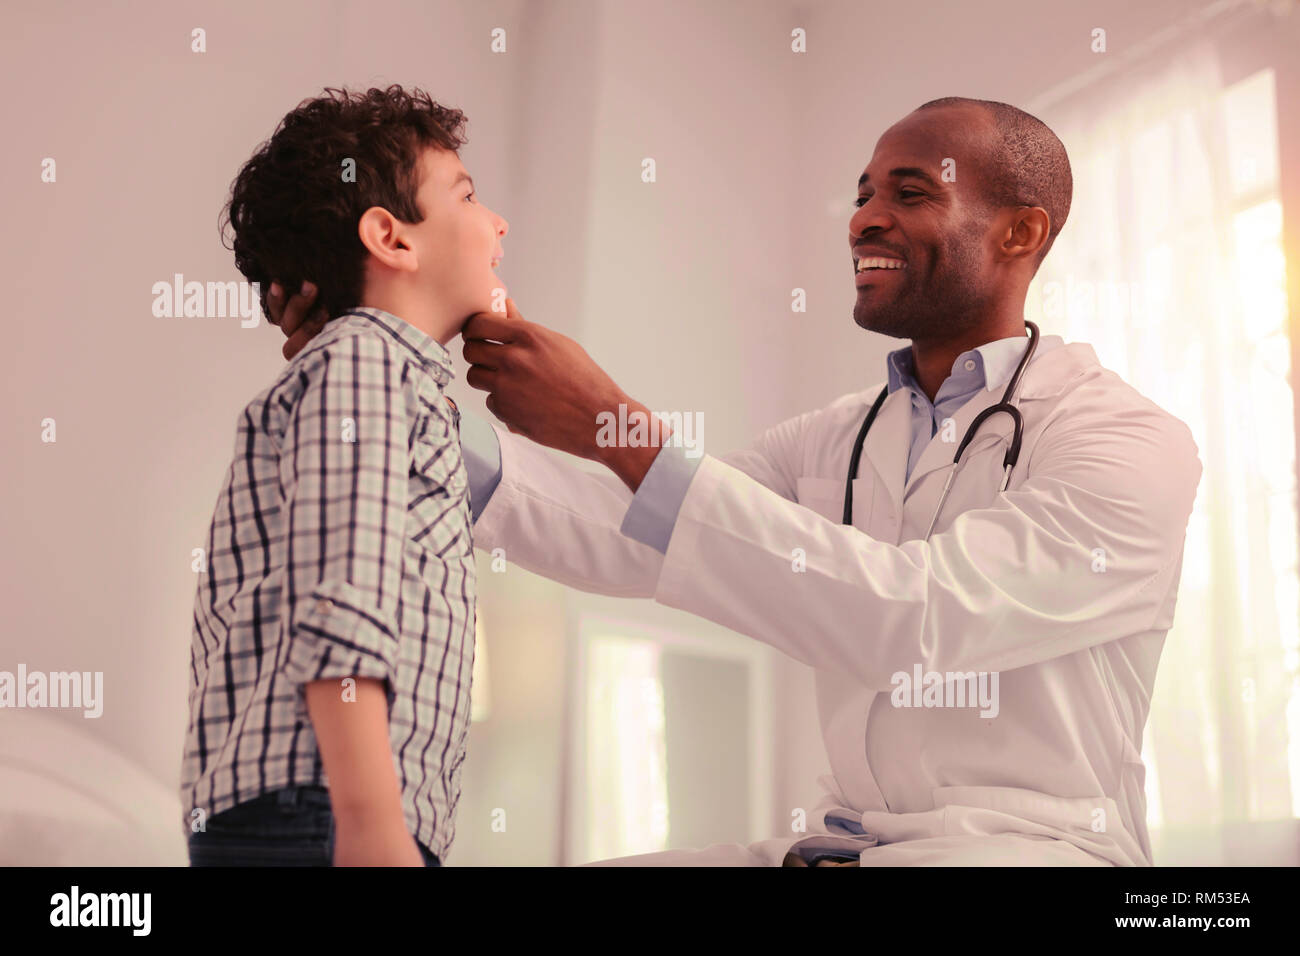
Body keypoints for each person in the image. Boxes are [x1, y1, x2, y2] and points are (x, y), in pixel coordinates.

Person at [273, 97, 1201, 866]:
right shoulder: (837, 435)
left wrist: (619, 427)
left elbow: (917, 620)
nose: (864, 217)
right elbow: (640, 533)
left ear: (1021, 232)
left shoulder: (1129, 442)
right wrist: (416, 426)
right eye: (863, 193)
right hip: (847, 841)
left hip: (1031, 849)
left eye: (909, 193)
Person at [181, 85, 508, 866]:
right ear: (391, 239)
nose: (497, 221)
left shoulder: (377, 377)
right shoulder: (364, 363)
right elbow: (340, 598)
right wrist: (372, 825)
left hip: (310, 810)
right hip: (326, 813)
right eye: (467, 195)